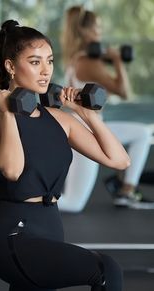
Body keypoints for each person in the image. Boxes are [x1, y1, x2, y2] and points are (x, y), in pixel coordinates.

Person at [0, 19, 130, 291]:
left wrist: (87, 116)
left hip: (50, 227)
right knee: (106, 271)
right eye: (35, 62)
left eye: (49, 61)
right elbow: (12, 171)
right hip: (14, 235)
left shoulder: (60, 120)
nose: (46, 70)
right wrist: (8, 113)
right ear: (11, 66)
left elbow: (119, 159)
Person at [59, 6, 154, 212]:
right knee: (73, 204)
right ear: (85, 31)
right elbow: (124, 91)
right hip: (83, 129)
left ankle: (126, 191)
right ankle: (18, 203)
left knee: (141, 133)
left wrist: (108, 57)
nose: (100, 33)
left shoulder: (81, 58)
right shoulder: (87, 62)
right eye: (97, 28)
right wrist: (118, 61)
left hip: (93, 124)